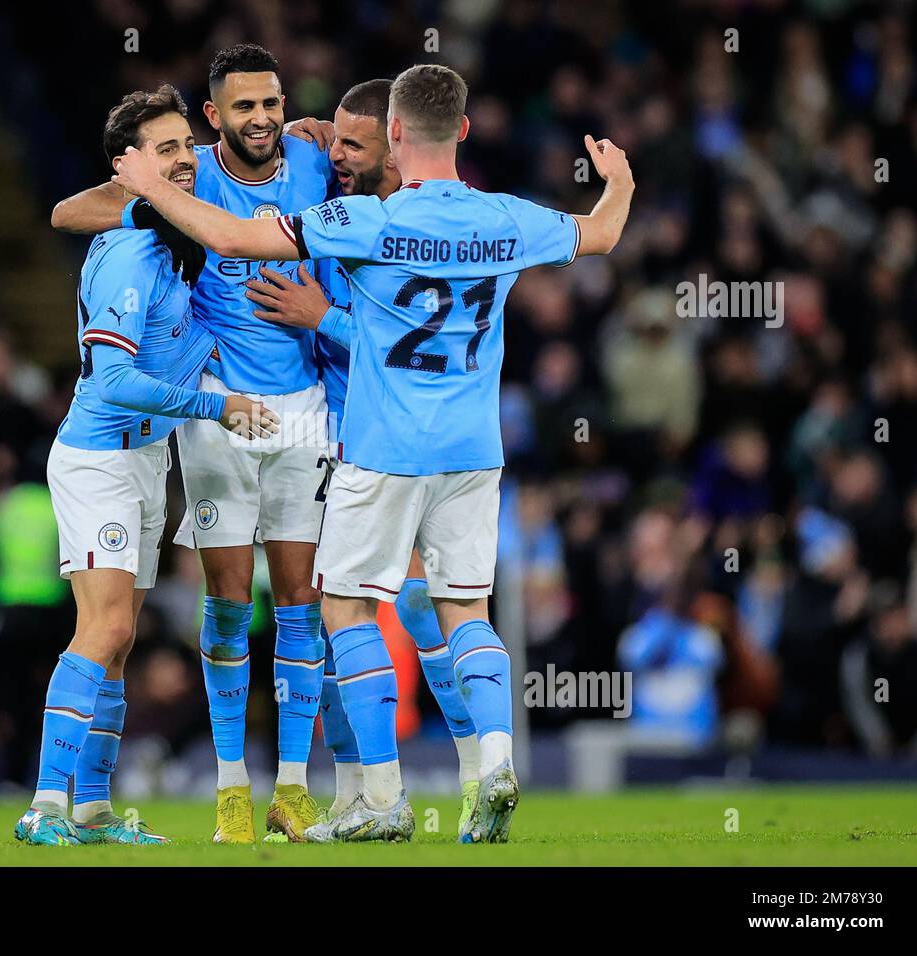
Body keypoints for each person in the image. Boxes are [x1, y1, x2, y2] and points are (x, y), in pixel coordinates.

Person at [111, 63, 634, 842]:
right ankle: (494, 763)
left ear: (394, 134)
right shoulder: (507, 219)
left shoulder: (365, 223)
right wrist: (618, 177)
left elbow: (226, 234)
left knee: (345, 607)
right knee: (467, 611)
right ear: (461, 130)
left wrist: (152, 187)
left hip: (383, 448)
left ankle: (379, 801)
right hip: (473, 452)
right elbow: (602, 232)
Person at [52, 43, 339, 843]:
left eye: (272, 103)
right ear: (216, 115)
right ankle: (228, 794)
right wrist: (144, 194)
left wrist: (329, 305)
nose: (262, 118)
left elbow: (378, 195)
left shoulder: (315, 163)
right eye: (244, 106)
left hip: (306, 409)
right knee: (223, 602)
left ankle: (291, 789)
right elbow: (67, 213)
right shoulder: (189, 172)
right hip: (218, 413)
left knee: (302, 603)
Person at [14, 84, 276, 848]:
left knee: (121, 637)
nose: (185, 161)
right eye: (166, 150)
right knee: (104, 627)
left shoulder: (164, 231)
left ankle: (92, 811)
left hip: (142, 457)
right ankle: (45, 807)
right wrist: (216, 407)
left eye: (186, 147)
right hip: (99, 457)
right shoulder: (132, 248)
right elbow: (113, 376)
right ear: (128, 167)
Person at [242, 79, 484, 837]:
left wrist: (324, 316)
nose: (339, 156)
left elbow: (414, 345)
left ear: (399, 143)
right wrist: (316, 132)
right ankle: (358, 790)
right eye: (336, 142)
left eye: (356, 144)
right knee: (327, 611)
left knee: (416, 605)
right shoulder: (329, 183)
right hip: (331, 430)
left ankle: (475, 776)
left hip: (401, 434)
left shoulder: (414, 222)